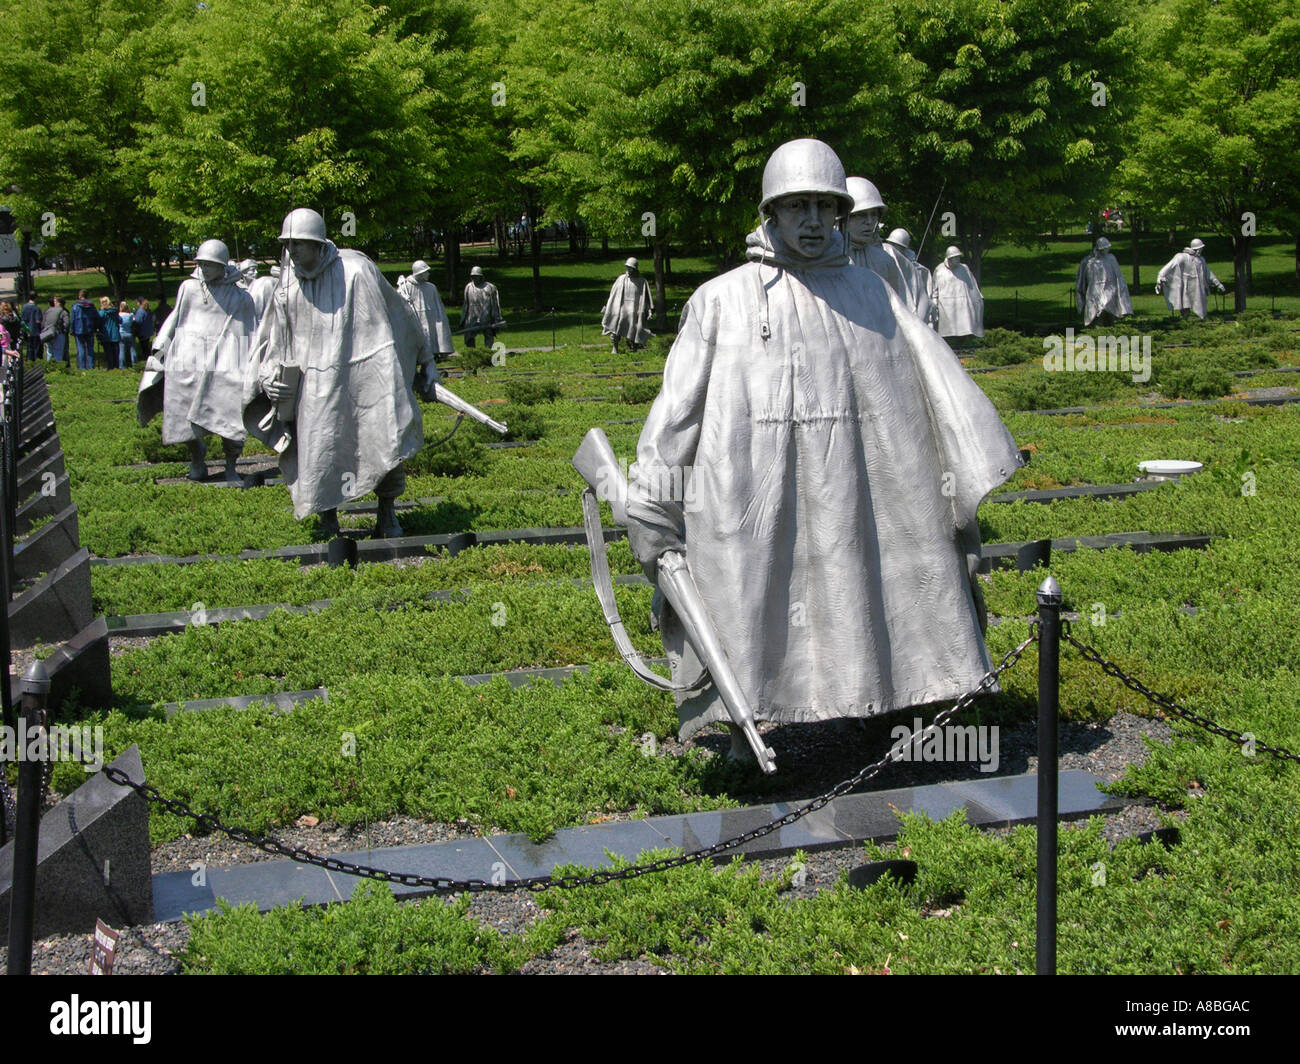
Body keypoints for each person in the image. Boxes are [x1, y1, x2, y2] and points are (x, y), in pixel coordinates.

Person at [623, 138, 1020, 761]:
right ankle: (740, 727)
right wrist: (652, 492)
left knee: (878, 586)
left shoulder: (871, 294)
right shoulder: (722, 299)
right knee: (745, 596)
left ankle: (897, 707)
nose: (811, 222)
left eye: (822, 207)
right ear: (770, 215)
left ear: (839, 212)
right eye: (795, 207)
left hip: (869, 491)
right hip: (754, 490)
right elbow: (678, 411)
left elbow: (932, 394)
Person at [243, 208, 425, 538]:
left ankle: (387, 511)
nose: (292, 252)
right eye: (288, 245)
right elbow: (272, 342)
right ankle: (328, 519)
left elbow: (398, 314)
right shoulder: (286, 287)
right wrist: (270, 377)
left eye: (299, 244)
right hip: (314, 388)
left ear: (317, 243)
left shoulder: (356, 271)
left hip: (366, 377)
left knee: (383, 437)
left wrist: (423, 362)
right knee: (318, 451)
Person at [148, 239, 257, 483]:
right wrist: (159, 350)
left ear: (222, 265)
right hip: (186, 362)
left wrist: (248, 367)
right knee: (181, 416)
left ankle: (231, 465)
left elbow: (249, 333)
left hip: (225, 364)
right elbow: (175, 319)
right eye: (202, 264)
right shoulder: (188, 288)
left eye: (210, 264)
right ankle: (197, 457)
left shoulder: (241, 298)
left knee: (229, 417)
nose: (205, 269)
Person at [843, 176, 904, 295]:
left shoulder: (885, 261)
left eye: (874, 214)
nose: (869, 221)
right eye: (861, 215)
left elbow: (895, 306)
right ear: (843, 216)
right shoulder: (823, 259)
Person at [397, 259, 454, 377]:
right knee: (416, 344)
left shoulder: (431, 288)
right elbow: (399, 303)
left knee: (429, 344)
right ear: (420, 273)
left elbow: (438, 307)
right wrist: (404, 298)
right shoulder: (405, 287)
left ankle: (428, 369)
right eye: (426, 272)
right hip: (415, 320)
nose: (428, 274)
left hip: (430, 318)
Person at [1156, 238, 1225, 319]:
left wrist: (1218, 284)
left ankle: (1198, 323)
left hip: (1198, 287)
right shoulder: (1182, 257)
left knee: (1201, 307)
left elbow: (1209, 273)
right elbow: (1169, 266)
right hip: (1186, 287)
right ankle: (1185, 322)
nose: (1201, 250)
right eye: (1200, 249)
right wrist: (1160, 276)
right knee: (1185, 307)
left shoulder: (1201, 260)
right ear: (1197, 249)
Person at [882, 228, 937, 327]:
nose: (892, 248)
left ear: (904, 248)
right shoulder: (882, 262)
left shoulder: (919, 270)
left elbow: (926, 296)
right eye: (891, 244)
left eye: (896, 246)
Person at [601, 257, 654, 355]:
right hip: (621, 308)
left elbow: (646, 298)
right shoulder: (621, 279)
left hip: (635, 309)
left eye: (630, 268)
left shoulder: (642, 281)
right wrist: (608, 306)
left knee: (636, 326)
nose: (628, 270)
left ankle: (635, 348)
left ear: (635, 269)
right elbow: (613, 295)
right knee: (616, 324)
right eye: (627, 267)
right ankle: (615, 347)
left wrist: (649, 310)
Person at [1075, 236, 1132, 326]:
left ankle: (1111, 329)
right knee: (1098, 313)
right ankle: (1098, 331)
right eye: (1105, 248)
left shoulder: (1111, 259)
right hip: (1095, 291)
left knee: (1110, 313)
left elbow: (1118, 276)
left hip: (1110, 290)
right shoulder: (1090, 261)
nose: (1107, 250)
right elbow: (1083, 279)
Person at [933, 246, 984, 339]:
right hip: (946, 304)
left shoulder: (964, 268)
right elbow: (935, 289)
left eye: (958, 257)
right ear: (949, 258)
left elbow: (972, 285)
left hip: (962, 303)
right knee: (948, 330)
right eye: (955, 257)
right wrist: (934, 301)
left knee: (965, 325)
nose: (958, 259)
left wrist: (977, 298)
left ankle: (965, 339)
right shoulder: (939, 270)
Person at [461, 265, 502, 349]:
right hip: (471, 317)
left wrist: (497, 318)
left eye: (476, 276)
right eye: (472, 276)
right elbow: (466, 304)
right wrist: (463, 319)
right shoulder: (468, 287)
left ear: (481, 276)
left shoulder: (490, 287)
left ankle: (488, 352)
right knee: (469, 336)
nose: (474, 279)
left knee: (488, 335)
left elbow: (495, 304)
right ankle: (471, 352)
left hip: (486, 317)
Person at [238, 259, 277, 323]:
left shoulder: (261, 284)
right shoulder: (238, 288)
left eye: (256, 270)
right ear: (244, 273)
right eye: (252, 270)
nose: (256, 272)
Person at [70, 290, 99, 368]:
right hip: (90, 328)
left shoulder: (76, 306)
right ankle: (91, 366)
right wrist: (96, 328)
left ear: (79, 296)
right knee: (90, 349)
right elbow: (96, 317)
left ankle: (82, 367)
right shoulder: (92, 306)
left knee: (81, 349)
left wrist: (72, 330)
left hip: (79, 329)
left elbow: (73, 319)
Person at [41, 296, 69, 362]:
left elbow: (43, 323)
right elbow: (67, 324)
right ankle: (58, 368)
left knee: (49, 352)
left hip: (47, 334)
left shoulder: (48, 310)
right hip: (58, 333)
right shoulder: (63, 312)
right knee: (58, 353)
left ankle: (48, 368)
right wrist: (64, 330)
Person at [98, 296, 121, 368]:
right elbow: (120, 320)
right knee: (115, 353)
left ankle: (110, 367)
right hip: (115, 335)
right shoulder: (114, 312)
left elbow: (98, 323)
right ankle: (116, 367)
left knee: (108, 353)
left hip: (106, 335)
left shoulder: (102, 313)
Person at [20, 292, 43, 361]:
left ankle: (29, 361)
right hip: (35, 330)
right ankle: (36, 361)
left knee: (29, 347)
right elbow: (38, 320)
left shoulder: (24, 307)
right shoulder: (36, 308)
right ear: (36, 298)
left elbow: (23, 320)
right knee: (36, 348)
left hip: (27, 330)